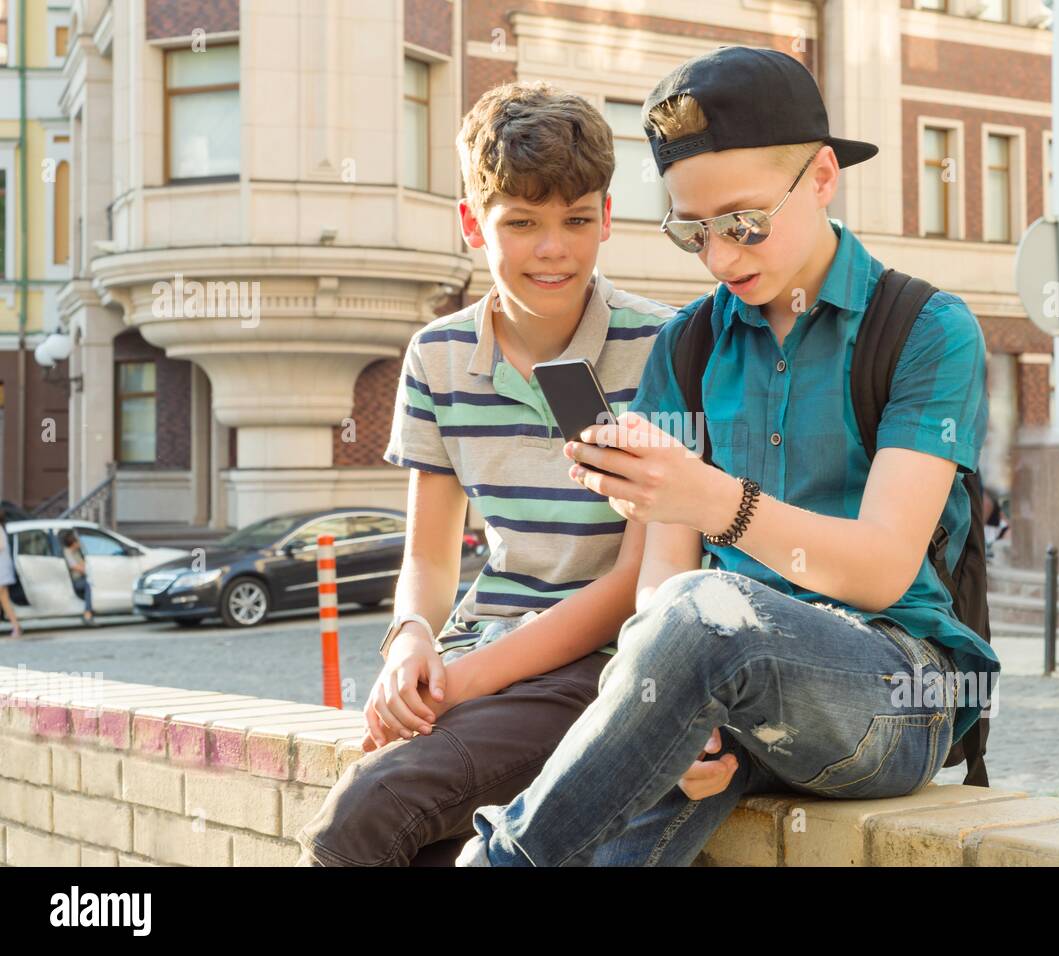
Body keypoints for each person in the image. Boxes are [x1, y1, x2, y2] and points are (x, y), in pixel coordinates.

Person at [455, 46, 1001, 867]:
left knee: (706, 612)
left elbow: (884, 568)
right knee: (627, 824)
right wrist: (687, 711)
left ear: (821, 176)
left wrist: (712, 502)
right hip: (720, 683)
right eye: (692, 232)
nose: (719, 258)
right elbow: (660, 582)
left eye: (743, 224)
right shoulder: (689, 342)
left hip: (894, 694)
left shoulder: (927, 329)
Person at [293, 80, 676, 867]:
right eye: (522, 223)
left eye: (576, 220)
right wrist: (408, 645)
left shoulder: (665, 348)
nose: (553, 248)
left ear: (607, 216)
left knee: (360, 819)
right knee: (431, 847)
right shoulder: (437, 355)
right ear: (474, 223)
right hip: (479, 650)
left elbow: (636, 582)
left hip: (593, 672)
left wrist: (457, 684)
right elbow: (430, 555)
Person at [59, 528, 94, 626]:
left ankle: (89, 611)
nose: (80, 543)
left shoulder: (77, 553)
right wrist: (82, 567)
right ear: (74, 543)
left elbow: (83, 566)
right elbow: (80, 568)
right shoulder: (67, 553)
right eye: (78, 541)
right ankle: (87, 613)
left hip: (82, 577)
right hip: (75, 580)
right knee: (88, 585)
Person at [0, 515, 21, 638]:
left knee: (4, 599)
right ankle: (16, 626)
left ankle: (16, 626)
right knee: (3, 600)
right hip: (3, 568)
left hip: (1, 569)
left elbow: (0, 546)